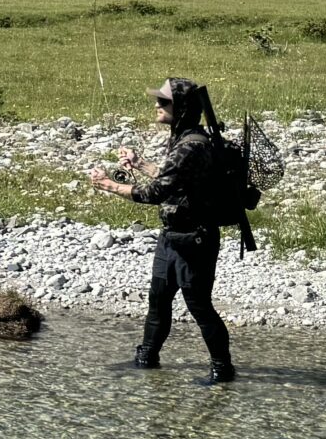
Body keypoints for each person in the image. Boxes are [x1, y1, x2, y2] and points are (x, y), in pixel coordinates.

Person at [88, 76, 239, 384]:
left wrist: (108, 185)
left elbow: (155, 193)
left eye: (164, 101)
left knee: (199, 307)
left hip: (195, 240)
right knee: (158, 300)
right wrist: (140, 163)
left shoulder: (191, 146)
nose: (157, 105)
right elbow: (173, 180)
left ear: (181, 107)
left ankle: (223, 371)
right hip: (171, 237)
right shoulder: (184, 139)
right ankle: (146, 359)